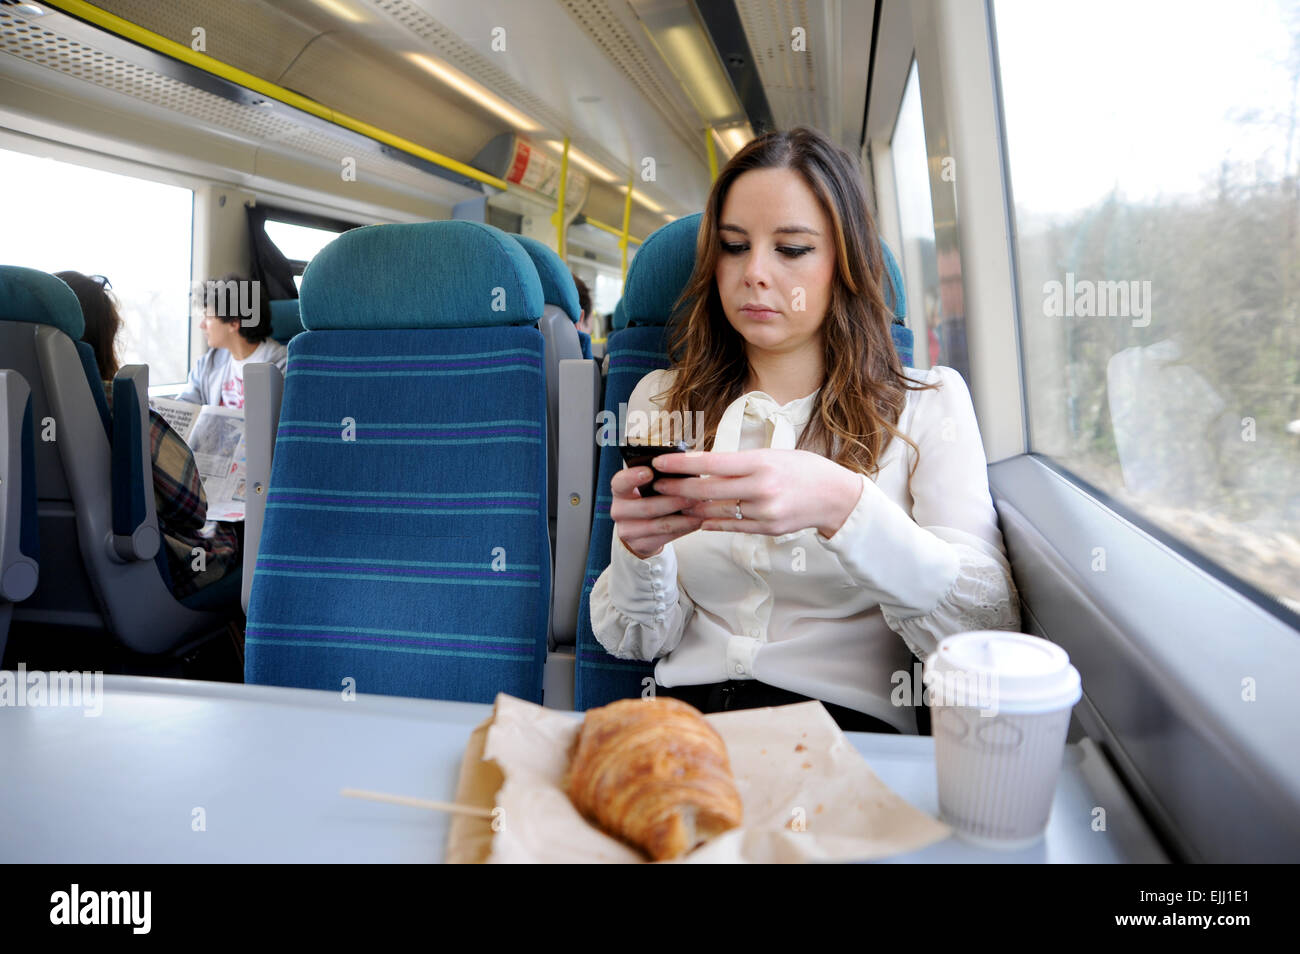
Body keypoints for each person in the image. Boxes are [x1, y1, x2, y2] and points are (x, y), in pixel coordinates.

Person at [587, 127, 1021, 735]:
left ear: (844, 264)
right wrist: (639, 554)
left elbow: (986, 628)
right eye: (734, 246)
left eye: (791, 249)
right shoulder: (662, 400)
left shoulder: (928, 405)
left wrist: (842, 504)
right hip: (684, 728)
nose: (754, 273)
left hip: (846, 731)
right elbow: (640, 639)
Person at [57, 271, 240, 600]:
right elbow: (193, 507)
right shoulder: (121, 406)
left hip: (53, 577)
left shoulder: (14, 407)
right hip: (139, 575)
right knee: (237, 530)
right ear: (102, 341)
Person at [179, 273, 287, 407]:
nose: (202, 325)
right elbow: (184, 407)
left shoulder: (282, 367)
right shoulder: (208, 363)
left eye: (208, 317)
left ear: (234, 323)